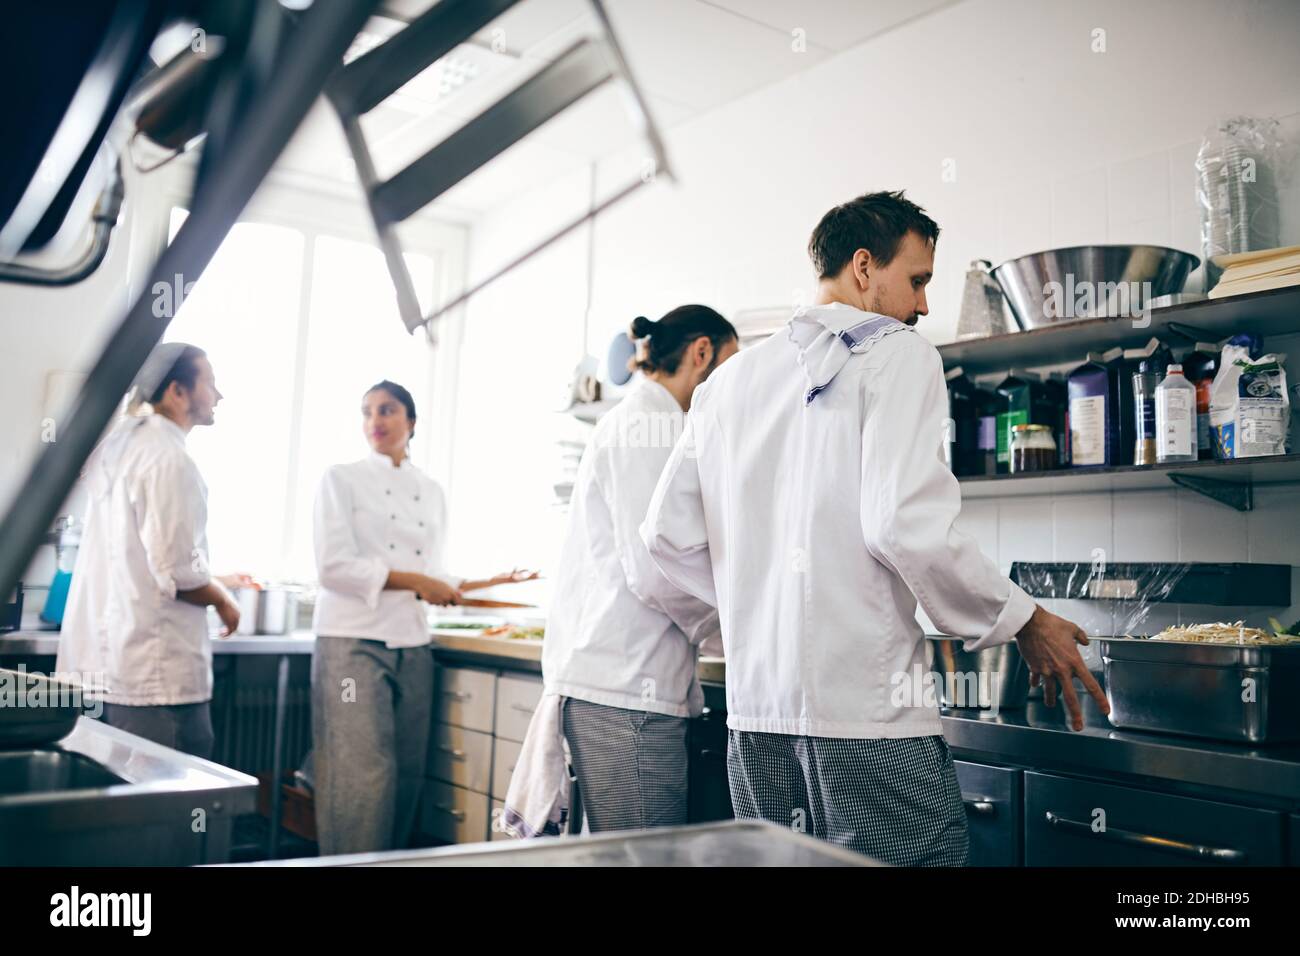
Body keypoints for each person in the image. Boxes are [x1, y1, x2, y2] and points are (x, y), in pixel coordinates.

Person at [641, 191, 1109, 865]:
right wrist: (1025, 619)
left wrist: (755, 610)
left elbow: (666, 537)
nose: (922, 305)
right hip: (866, 719)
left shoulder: (728, 383)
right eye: (917, 280)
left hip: (755, 724)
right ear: (864, 267)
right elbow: (904, 525)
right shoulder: (899, 352)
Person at [529, 305, 739, 833]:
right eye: (731, 365)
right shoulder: (650, 425)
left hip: (623, 686)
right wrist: (736, 631)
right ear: (701, 353)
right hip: (625, 691)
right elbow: (655, 568)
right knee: (643, 855)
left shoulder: (652, 422)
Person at [311, 379, 534, 854]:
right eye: (367, 411)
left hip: (411, 642)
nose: (376, 421)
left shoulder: (430, 491)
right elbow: (333, 567)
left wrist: (488, 581)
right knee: (363, 775)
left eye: (387, 410)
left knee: (408, 771)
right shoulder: (340, 478)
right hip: (352, 640)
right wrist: (417, 582)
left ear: (411, 422)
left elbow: (433, 574)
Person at [57, 342, 242, 759]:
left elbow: (137, 553)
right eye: (210, 384)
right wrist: (225, 600)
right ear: (177, 392)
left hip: (101, 668)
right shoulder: (171, 459)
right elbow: (178, 575)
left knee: (116, 804)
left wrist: (215, 577)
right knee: (166, 807)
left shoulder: (117, 445)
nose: (218, 396)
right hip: (153, 676)